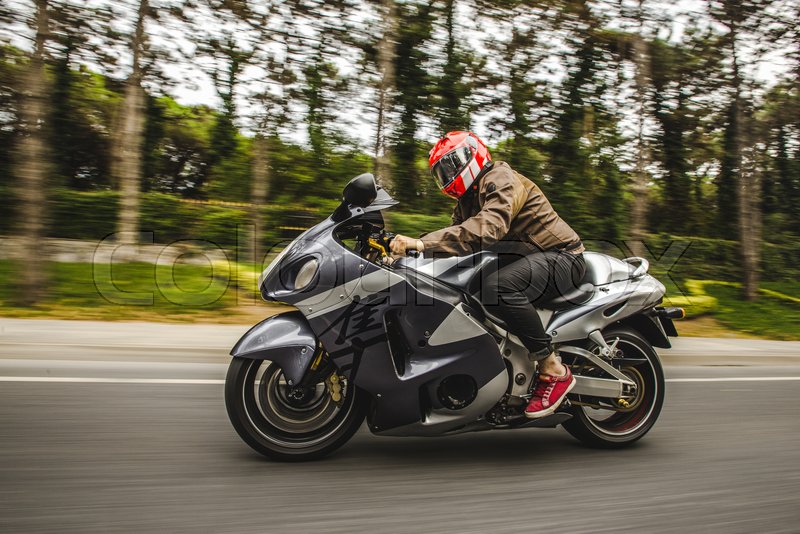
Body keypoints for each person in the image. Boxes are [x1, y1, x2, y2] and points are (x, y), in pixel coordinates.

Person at [389, 131, 586, 419]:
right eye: (442, 170)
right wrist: (403, 252)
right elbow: (452, 241)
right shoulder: (467, 201)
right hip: (526, 258)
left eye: (451, 164)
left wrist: (419, 243)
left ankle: (552, 367)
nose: (447, 174)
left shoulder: (501, 179)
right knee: (463, 287)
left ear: (473, 154)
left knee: (498, 288)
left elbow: (487, 228)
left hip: (562, 256)